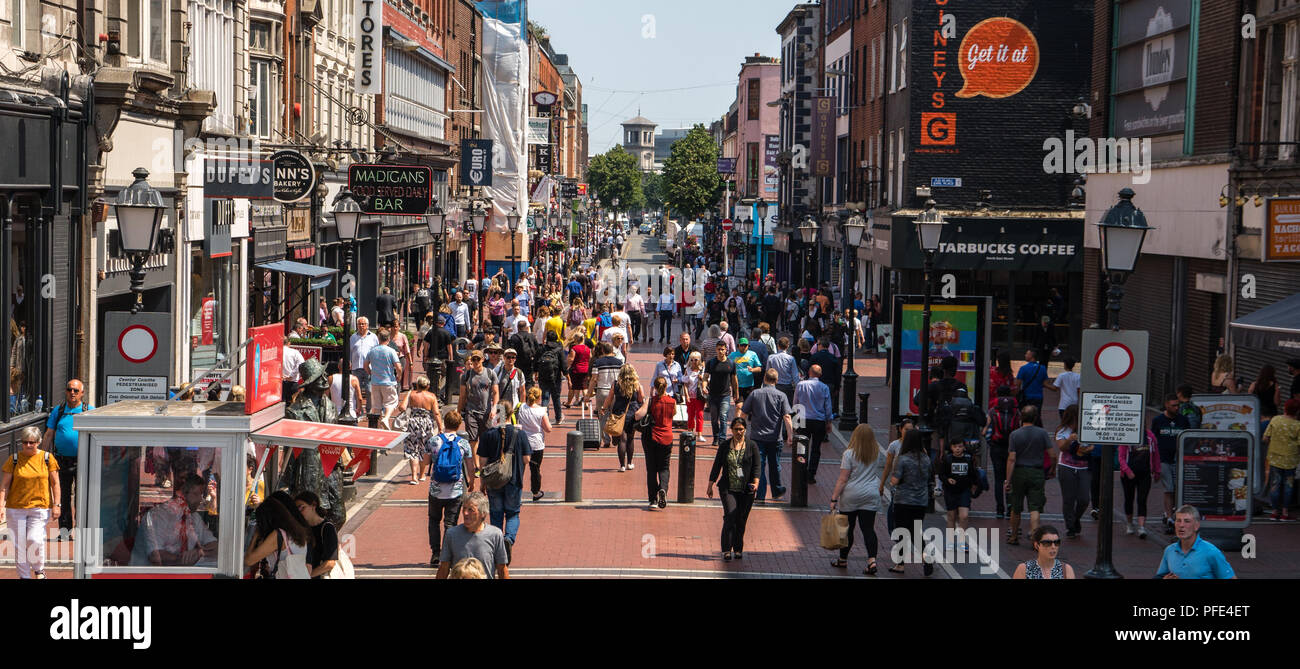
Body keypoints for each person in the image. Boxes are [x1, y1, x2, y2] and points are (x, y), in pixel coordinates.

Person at [474, 405, 532, 560]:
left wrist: (482, 483)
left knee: (496, 513)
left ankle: (498, 544)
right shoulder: (520, 434)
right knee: (513, 513)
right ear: (511, 413)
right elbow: (527, 459)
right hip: (514, 479)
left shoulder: (488, 435)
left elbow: (483, 462)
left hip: (494, 481)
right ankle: (509, 539)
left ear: (497, 415)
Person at [1, 426, 59, 578]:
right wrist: (1, 506)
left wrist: (57, 504)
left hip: (39, 507)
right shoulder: (14, 459)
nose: (28, 445)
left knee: (34, 539)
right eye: (25, 442)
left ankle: (39, 569)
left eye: (31, 442)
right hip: (15, 508)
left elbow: (55, 483)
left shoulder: (47, 458)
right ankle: (24, 576)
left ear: (38, 442)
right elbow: (4, 485)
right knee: (20, 546)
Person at [830, 424, 887, 575]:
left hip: (851, 495)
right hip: (870, 494)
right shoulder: (875, 454)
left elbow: (843, 479)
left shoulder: (849, 454)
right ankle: (872, 561)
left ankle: (843, 559)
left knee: (847, 530)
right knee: (868, 529)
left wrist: (834, 498)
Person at [422, 409, 475, 567]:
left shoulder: (433, 441)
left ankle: (435, 553)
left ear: (444, 423)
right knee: (450, 523)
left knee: (433, 520)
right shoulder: (463, 443)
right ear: (459, 425)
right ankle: (446, 554)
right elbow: (470, 467)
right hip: (455, 490)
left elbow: (425, 462)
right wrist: (471, 482)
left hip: (436, 489)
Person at [707, 417, 760, 561]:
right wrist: (710, 484)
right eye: (736, 429)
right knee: (730, 515)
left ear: (745, 430)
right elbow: (717, 465)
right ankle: (726, 549)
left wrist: (755, 483)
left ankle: (737, 548)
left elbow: (756, 467)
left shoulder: (752, 445)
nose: (739, 432)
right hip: (728, 487)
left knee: (741, 519)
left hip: (746, 489)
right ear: (731, 430)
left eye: (741, 429)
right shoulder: (725, 446)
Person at [42, 377, 91, 533]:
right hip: (61, 460)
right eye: (69, 389)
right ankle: (65, 531)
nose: (72, 393)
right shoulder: (59, 410)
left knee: (81, 497)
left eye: (76, 390)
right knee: (62, 496)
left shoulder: (88, 410)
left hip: (83, 460)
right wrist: (43, 457)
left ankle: (82, 529)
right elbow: (49, 434)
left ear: (82, 393)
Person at [740, 369, 794, 502]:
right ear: (776, 380)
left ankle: (760, 495)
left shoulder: (755, 394)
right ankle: (776, 491)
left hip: (757, 437)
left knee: (759, 465)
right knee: (775, 464)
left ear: (764, 379)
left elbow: (743, 414)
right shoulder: (782, 396)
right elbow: (787, 416)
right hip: (775, 437)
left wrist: (741, 431)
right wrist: (790, 435)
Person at [1005, 405, 1056, 545]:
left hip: (1019, 472)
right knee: (1035, 508)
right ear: (1036, 418)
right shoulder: (1042, 433)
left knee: (1016, 507)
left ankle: (1014, 536)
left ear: (1021, 417)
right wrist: (1052, 468)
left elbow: (1011, 459)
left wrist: (1007, 480)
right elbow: (1052, 455)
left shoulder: (1015, 434)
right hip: (1037, 472)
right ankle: (1035, 539)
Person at [143, 473, 219, 567]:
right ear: (182, 493)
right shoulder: (159, 515)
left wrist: (201, 552)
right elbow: (154, 555)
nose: (200, 499)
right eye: (196, 494)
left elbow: (215, 546)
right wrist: (181, 559)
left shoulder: (194, 517)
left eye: (201, 495)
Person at [889, 429, 935, 575]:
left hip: (903, 500)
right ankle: (926, 559)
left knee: (901, 531)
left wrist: (893, 481)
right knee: (916, 532)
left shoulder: (902, 459)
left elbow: (895, 480)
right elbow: (929, 478)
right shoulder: (926, 459)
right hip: (920, 501)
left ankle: (900, 564)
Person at [1156, 505, 1237, 579]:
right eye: (1178, 521)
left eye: (1187, 521)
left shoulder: (1211, 552)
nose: (1181, 525)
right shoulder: (1169, 550)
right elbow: (1159, 576)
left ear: (1196, 526)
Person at [635, 376, 677, 509]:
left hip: (651, 437)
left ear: (655, 387)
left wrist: (646, 404)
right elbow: (673, 414)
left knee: (652, 469)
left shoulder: (651, 401)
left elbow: (638, 415)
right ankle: (663, 489)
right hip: (667, 437)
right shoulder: (672, 401)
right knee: (664, 467)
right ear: (666, 387)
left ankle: (653, 499)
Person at [1151, 394, 1190, 534]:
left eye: (1177, 405)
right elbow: (1153, 440)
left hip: (1179, 459)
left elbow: (1189, 438)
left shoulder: (1183, 420)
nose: (1176, 407)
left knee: (1178, 488)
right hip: (1163, 459)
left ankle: (1173, 513)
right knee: (1169, 488)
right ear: (1166, 405)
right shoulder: (1158, 421)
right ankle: (1169, 516)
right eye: (1173, 405)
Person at [399, 376, 443, 484]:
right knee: (425, 448)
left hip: (413, 423)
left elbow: (402, 407)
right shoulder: (431, 396)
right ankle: (422, 474)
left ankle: (414, 476)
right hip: (427, 423)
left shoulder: (412, 394)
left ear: (417, 384)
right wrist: (440, 427)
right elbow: (436, 413)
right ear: (428, 386)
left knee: (413, 449)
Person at [1054, 405, 1090, 539]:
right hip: (1066, 466)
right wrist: (1070, 439)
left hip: (1083, 467)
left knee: (1084, 499)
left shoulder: (1086, 429)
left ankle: (1076, 518)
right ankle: (1071, 527)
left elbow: (1091, 446)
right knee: (1069, 499)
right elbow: (1062, 448)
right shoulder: (1063, 430)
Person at [937, 437, 979, 550]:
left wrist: (974, 485)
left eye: (960, 446)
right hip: (950, 491)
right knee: (951, 516)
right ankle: (950, 541)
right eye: (955, 447)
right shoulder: (947, 459)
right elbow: (941, 474)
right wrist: (947, 480)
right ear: (951, 448)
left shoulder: (968, 459)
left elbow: (973, 474)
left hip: (964, 491)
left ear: (964, 447)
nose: (957, 449)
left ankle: (961, 541)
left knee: (964, 516)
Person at [794, 364, 833, 484]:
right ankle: (811, 474)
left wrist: (795, 423)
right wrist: (829, 422)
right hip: (818, 420)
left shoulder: (800, 385)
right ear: (820, 375)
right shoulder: (824, 387)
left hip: (804, 419)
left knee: (801, 447)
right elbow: (828, 406)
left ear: (809, 373)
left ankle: (801, 470)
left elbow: (796, 403)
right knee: (816, 448)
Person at [1262, 398, 1300, 521]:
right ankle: (1285, 513)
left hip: (1275, 458)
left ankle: (1274, 512)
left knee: (1275, 485)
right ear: (1297, 411)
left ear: (1284, 408)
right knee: (1288, 486)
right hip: (1290, 459)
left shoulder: (1275, 420)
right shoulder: (1297, 425)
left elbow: (1265, 438)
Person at [603, 364, 645, 472]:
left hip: (618, 413)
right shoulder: (637, 385)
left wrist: (604, 407)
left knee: (622, 440)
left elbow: (610, 397)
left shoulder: (616, 384)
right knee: (630, 439)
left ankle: (621, 465)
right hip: (632, 414)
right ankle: (629, 463)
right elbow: (641, 399)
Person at [985, 386, 1019, 518]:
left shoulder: (993, 411)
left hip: (997, 447)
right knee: (1010, 478)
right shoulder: (1016, 411)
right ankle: (1010, 506)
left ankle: (999, 509)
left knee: (998, 479)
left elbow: (987, 431)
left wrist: (990, 442)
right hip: (1012, 448)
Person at [1119, 429, 1160, 537]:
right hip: (1129, 474)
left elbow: (1156, 454)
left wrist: (1157, 471)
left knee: (1142, 499)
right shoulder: (1127, 434)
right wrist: (1127, 471)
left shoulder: (1150, 436)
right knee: (1129, 499)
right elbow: (1121, 457)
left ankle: (1141, 527)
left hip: (1145, 473)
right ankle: (1129, 523)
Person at [458, 350, 500, 451]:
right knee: (473, 440)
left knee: (486, 440)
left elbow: (495, 393)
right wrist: (458, 411)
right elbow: (462, 396)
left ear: (482, 359)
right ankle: (476, 466)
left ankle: (483, 464)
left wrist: (494, 408)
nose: (476, 361)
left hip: (486, 412)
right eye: (474, 359)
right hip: (471, 411)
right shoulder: (466, 376)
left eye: (478, 359)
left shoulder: (490, 373)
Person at [517, 386, 553, 502]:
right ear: (538, 398)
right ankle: (536, 492)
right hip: (536, 443)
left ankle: (516, 491)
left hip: (522, 442)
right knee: (535, 469)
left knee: (519, 468)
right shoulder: (542, 410)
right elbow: (548, 428)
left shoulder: (521, 407)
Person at [294, 491, 340, 578]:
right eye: (297, 509)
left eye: (302, 507)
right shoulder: (301, 528)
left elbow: (330, 563)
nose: (299, 512)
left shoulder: (327, 528)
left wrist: (308, 576)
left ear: (313, 505)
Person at [703, 341, 740, 446]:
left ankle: (722, 439)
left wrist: (736, 393)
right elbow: (705, 377)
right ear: (716, 349)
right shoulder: (711, 363)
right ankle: (716, 437)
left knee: (723, 416)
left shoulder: (731, 363)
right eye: (719, 349)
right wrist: (704, 386)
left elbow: (734, 380)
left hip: (725, 395)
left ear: (726, 350)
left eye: (722, 349)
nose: (720, 351)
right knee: (714, 419)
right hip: (713, 395)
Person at [365, 328, 403, 429]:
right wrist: (399, 375)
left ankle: (377, 426)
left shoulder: (372, 351)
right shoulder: (391, 351)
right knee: (391, 402)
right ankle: (386, 418)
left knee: (377, 406)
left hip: (375, 381)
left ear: (378, 338)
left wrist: (370, 373)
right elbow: (398, 366)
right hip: (388, 381)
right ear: (389, 339)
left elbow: (365, 365)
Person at [588, 342, 624, 449]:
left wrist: (588, 394)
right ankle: (616, 434)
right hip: (616, 392)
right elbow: (622, 378)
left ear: (603, 351)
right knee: (615, 415)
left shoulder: (597, 362)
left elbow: (594, 379)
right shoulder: (619, 362)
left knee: (602, 416)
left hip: (602, 391)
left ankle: (606, 440)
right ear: (612, 351)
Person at [1012, 525, 1076, 579]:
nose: (1053, 547)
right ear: (1037, 545)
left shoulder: (1066, 570)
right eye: (1047, 543)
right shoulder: (1024, 569)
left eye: (1056, 542)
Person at [534, 330, 567, 424]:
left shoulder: (542, 349)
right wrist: (566, 375)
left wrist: (536, 373)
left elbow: (536, 361)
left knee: (545, 398)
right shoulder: (559, 349)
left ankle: (545, 418)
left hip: (543, 377)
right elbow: (563, 364)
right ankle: (558, 417)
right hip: (556, 377)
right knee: (556, 398)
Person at [422, 314, 455, 402]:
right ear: (443, 323)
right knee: (444, 374)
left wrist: (425, 355)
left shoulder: (431, 332)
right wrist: (451, 358)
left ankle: (434, 390)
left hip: (432, 357)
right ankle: (439, 390)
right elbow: (449, 347)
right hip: (443, 357)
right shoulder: (447, 333)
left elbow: (426, 345)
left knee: (431, 375)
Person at [349, 317, 379, 412]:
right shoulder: (353, 337)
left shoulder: (373, 337)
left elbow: (377, 351)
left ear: (367, 325)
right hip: (356, 367)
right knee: (355, 391)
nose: (361, 326)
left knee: (369, 390)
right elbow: (350, 351)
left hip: (369, 368)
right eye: (359, 324)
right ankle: (358, 410)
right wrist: (349, 361)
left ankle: (369, 410)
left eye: (363, 324)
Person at [810, 337, 842, 418]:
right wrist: (837, 387)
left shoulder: (815, 357)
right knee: (828, 404)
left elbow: (809, 370)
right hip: (830, 384)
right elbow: (838, 374)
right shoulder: (833, 358)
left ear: (820, 345)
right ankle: (827, 420)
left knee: (817, 403)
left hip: (816, 384)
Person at [679, 351, 707, 435]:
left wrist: (702, 378)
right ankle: (690, 431)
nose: (693, 362)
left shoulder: (702, 370)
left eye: (695, 360)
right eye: (691, 360)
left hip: (699, 396)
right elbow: (685, 384)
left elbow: (707, 381)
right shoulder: (687, 370)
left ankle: (699, 434)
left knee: (700, 414)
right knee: (690, 415)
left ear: (699, 360)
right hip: (690, 396)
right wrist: (686, 395)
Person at [767, 336, 800, 403]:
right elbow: (795, 375)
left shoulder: (771, 357)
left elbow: (768, 373)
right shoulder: (791, 358)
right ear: (788, 346)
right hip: (787, 387)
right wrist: (798, 389)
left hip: (774, 386)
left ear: (778, 345)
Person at [564, 332, 592, 410]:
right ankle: (586, 404)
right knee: (584, 387)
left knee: (572, 387)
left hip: (576, 370)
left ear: (575, 339)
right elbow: (590, 358)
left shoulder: (574, 348)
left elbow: (571, 359)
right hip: (585, 369)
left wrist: (567, 366)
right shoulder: (587, 348)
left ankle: (568, 402)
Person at [1249, 365, 1282, 430]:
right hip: (1271, 415)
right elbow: (1277, 402)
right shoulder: (1275, 385)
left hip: (1257, 414)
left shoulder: (1253, 385)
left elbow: (1249, 401)